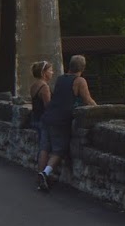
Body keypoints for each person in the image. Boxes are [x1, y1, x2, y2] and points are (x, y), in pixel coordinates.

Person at [38, 54, 97, 192]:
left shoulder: (60, 78)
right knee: (59, 150)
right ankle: (45, 173)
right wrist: (99, 109)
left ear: (70, 65)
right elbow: (88, 100)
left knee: (45, 148)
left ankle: (39, 177)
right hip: (61, 120)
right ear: (82, 67)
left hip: (47, 116)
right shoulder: (79, 81)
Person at [28, 60, 54, 181]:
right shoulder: (44, 87)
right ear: (44, 73)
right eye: (50, 70)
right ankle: (41, 175)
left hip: (35, 118)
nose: (52, 72)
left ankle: (41, 173)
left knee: (41, 146)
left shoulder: (34, 85)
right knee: (44, 148)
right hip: (43, 121)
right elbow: (48, 106)